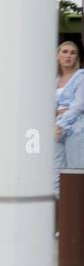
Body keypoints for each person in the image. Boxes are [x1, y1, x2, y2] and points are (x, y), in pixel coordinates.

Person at [55, 40, 84, 196]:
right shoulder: (54, 81)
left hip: (76, 129)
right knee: (55, 171)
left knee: (76, 170)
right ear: (58, 55)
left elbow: (79, 105)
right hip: (56, 129)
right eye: (64, 52)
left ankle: (76, 213)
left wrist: (62, 122)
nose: (68, 56)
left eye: (72, 53)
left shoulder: (81, 77)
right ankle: (59, 212)